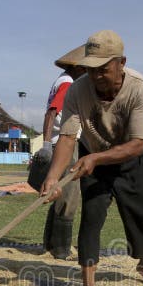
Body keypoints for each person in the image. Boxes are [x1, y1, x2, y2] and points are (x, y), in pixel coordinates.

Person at [41, 30, 143, 286]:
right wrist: (52, 177)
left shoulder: (139, 88)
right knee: (91, 218)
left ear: (121, 62)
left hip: (131, 157)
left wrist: (97, 159)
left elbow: (137, 145)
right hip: (92, 154)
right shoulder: (77, 90)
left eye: (103, 69)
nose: (95, 76)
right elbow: (68, 137)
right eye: (90, 69)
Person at [36, 44, 86, 260]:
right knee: (69, 195)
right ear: (77, 67)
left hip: (61, 141)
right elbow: (52, 112)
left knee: (57, 193)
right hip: (64, 143)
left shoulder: (63, 80)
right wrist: (47, 143)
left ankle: (50, 244)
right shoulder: (68, 83)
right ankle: (62, 248)